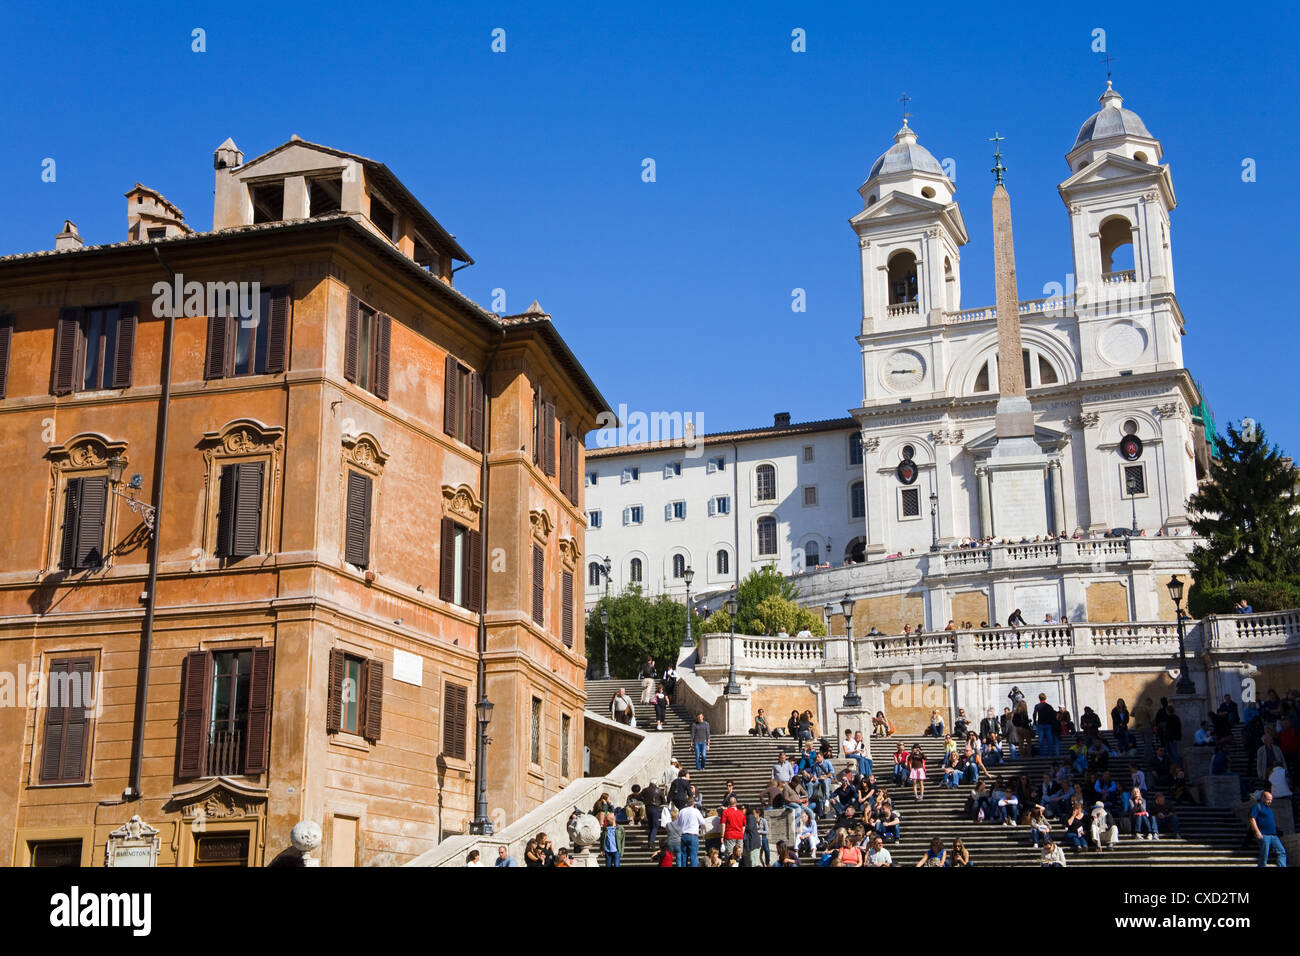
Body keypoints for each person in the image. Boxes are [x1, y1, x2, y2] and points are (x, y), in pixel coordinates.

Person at [1250, 790, 1287, 867]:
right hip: (1264, 834)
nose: (1270, 801)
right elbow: (1252, 819)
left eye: (1271, 800)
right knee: (1264, 855)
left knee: (1281, 851)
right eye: (1268, 799)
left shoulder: (1269, 809)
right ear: (1263, 798)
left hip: (1273, 835)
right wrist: (1257, 832)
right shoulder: (1257, 806)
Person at [676, 801, 704, 867]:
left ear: (686, 803)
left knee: (683, 856)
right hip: (693, 835)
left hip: (683, 835)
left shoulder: (682, 811)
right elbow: (702, 822)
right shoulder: (696, 811)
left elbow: (678, 824)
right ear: (693, 803)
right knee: (693, 856)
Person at [1033, 693, 1058, 758]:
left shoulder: (1037, 706)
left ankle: (1042, 754)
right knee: (1050, 739)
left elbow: (1034, 714)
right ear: (1045, 698)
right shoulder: (1049, 706)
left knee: (1041, 740)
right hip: (1048, 724)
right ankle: (1050, 754)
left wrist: (1035, 722)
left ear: (1039, 698)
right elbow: (1053, 715)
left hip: (1041, 724)